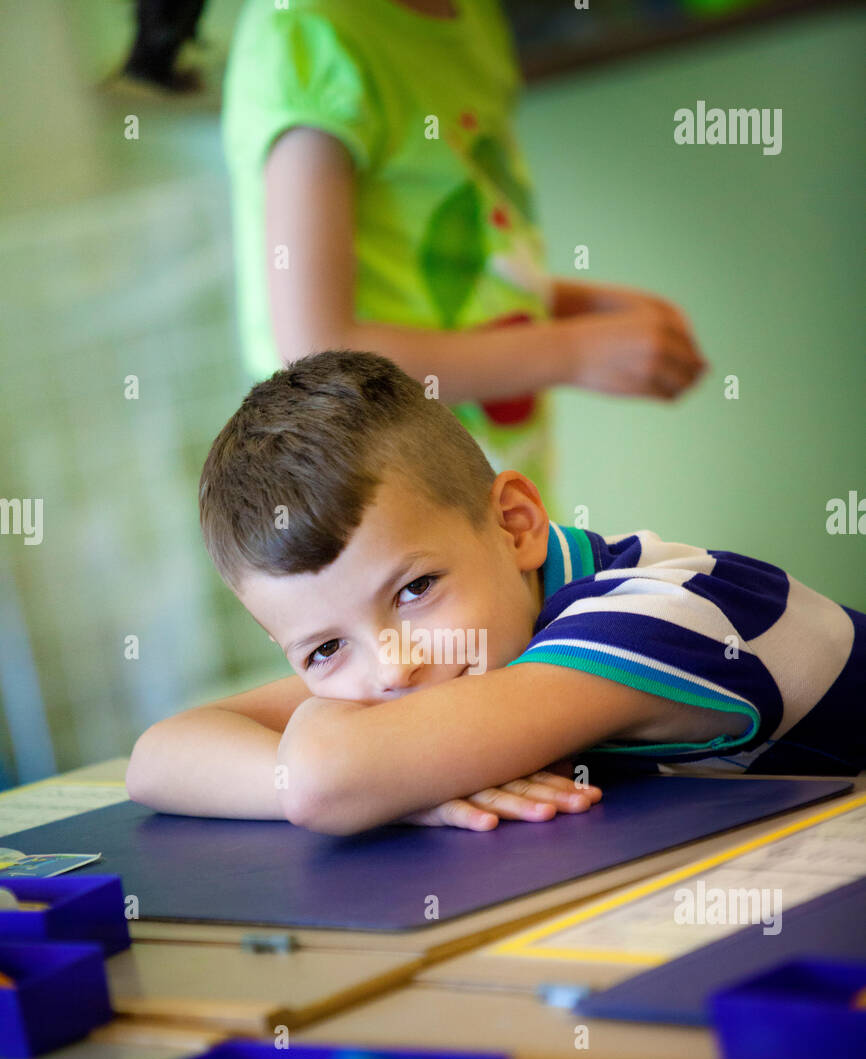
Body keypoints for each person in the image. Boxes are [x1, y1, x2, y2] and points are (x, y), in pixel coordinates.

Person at [125, 351, 865, 834]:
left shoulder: (646, 616)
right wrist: (409, 792)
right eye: (322, 649)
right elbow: (157, 758)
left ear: (515, 526)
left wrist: (372, 782)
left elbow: (326, 776)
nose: (391, 669)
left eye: (415, 588)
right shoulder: (432, 653)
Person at [221, 0, 706, 503]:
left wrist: (580, 309)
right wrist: (578, 352)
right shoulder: (309, 35)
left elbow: (459, 274)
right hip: (395, 512)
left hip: (497, 478)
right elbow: (317, 352)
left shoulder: (472, 14)